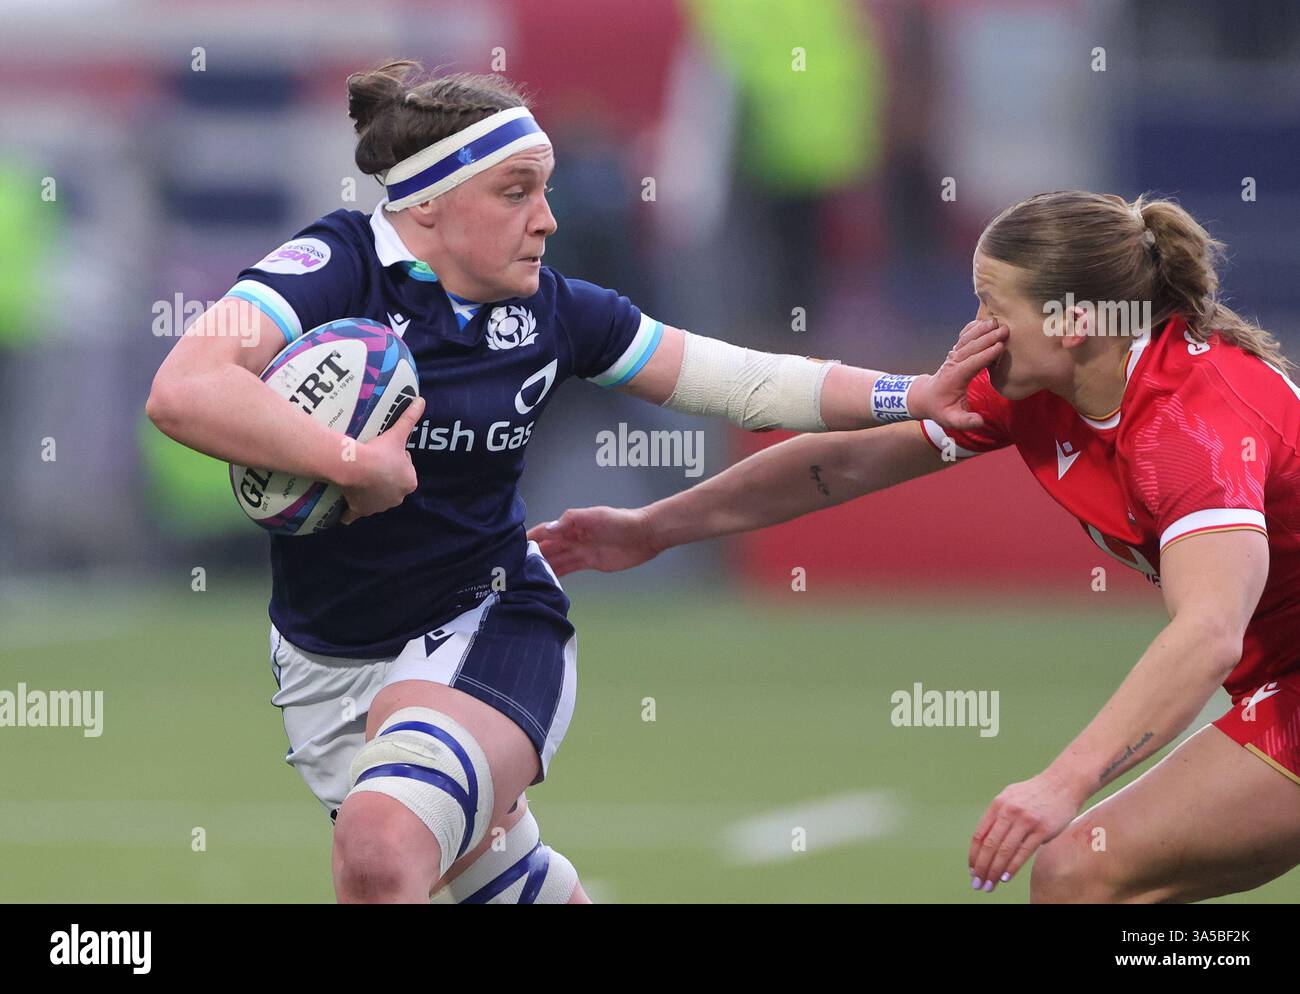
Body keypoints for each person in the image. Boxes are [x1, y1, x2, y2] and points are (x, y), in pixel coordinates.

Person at [145, 59, 1005, 904]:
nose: (548, 220)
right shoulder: (332, 265)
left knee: (379, 851)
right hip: (324, 661)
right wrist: (351, 460)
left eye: (546, 191)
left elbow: (739, 379)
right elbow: (184, 388)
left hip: (488, 619)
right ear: (430, 204)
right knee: (494, 887)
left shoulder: (555, 311)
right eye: (518, 192)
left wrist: (910, 394)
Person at [531, 190, 1300, 903]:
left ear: (1070, 323)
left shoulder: (1190, 424)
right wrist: (655, 527)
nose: (974, 329)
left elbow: (1206, 633)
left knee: (1082, 871)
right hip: (1277, 681)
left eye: (992, 306)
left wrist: (1064, 781)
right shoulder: (1045, 386)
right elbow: (847, 459)